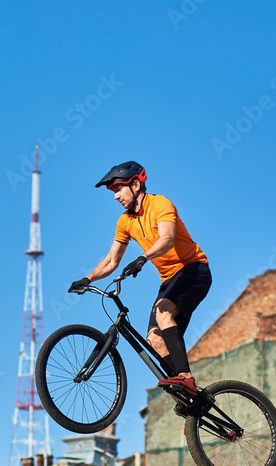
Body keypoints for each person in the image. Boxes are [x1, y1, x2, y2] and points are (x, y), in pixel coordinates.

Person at [69, 160, 211, 399]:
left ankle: (185, 377)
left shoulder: (160, 204)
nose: (115, 197)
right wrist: (88, 278)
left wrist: (142, 258)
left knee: (162, 311)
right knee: (155, 341)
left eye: (117, 190)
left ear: (135, 185)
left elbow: (166, 239)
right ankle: (192, 401)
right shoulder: (125, 222)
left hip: (193, 270)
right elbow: (111, 261)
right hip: (169, 280)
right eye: (112, 192)